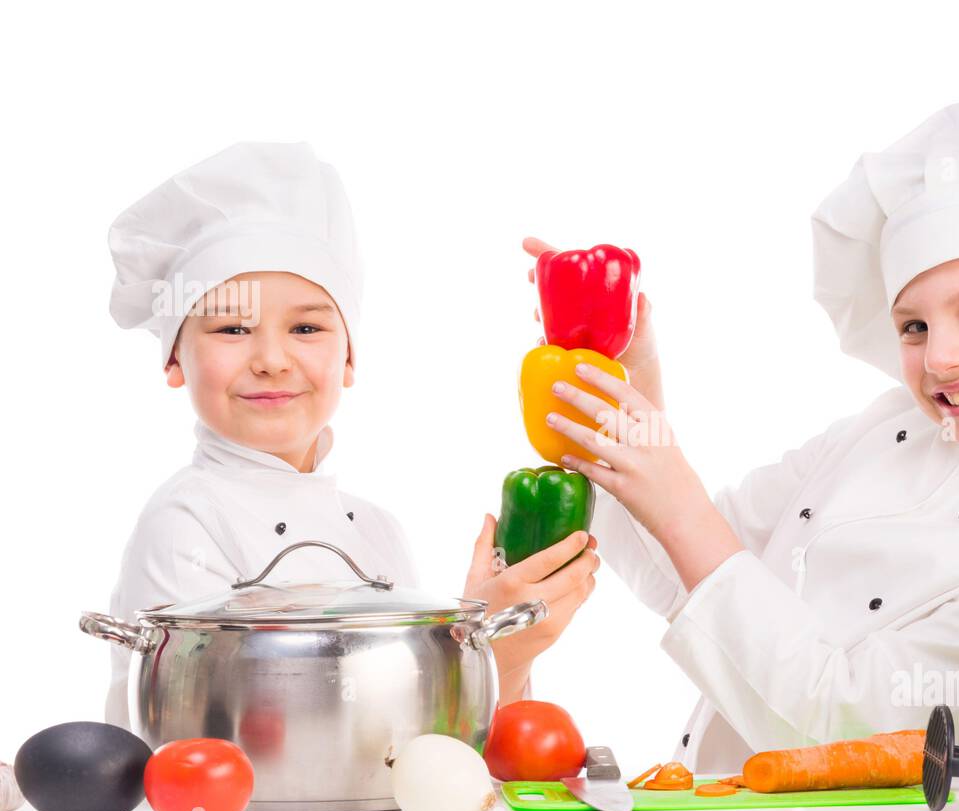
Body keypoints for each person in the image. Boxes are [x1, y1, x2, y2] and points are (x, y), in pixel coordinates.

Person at [527, 99, 959, 771]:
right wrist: (627, 388)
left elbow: (840, 731)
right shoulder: (884, 427)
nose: (940, 358)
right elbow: (688, 568)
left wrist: (675, 498)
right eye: (914, 325)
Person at [104, 142, 597, 728]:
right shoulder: (185, 524)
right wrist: (479, 648)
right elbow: (252, 754)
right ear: (174, 359)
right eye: (232, 327)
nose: (271, 359)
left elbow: (430, 764)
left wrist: (499, 646)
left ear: (349, 359)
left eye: (307, 327)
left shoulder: (378, 534)